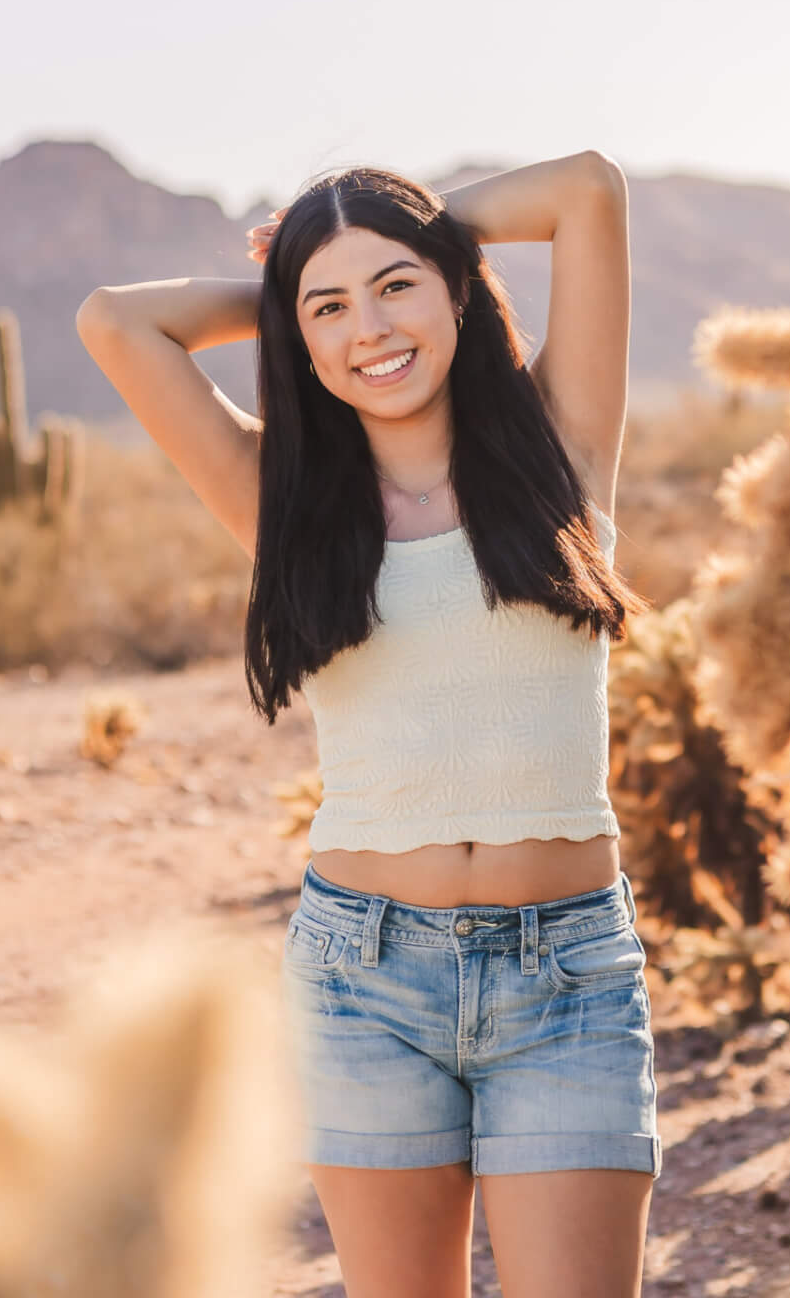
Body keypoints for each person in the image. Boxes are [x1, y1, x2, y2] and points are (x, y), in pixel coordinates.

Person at [75, 151, 656, 1296]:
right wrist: (297, 286)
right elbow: (115, 322)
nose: (368, 330)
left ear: (453, 287)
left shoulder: (563, 446)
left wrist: (404, 239)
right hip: (364, 979)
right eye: (328, 311)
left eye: (397, 287)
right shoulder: (280, 497)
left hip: (571, 977)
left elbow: (587, 189)